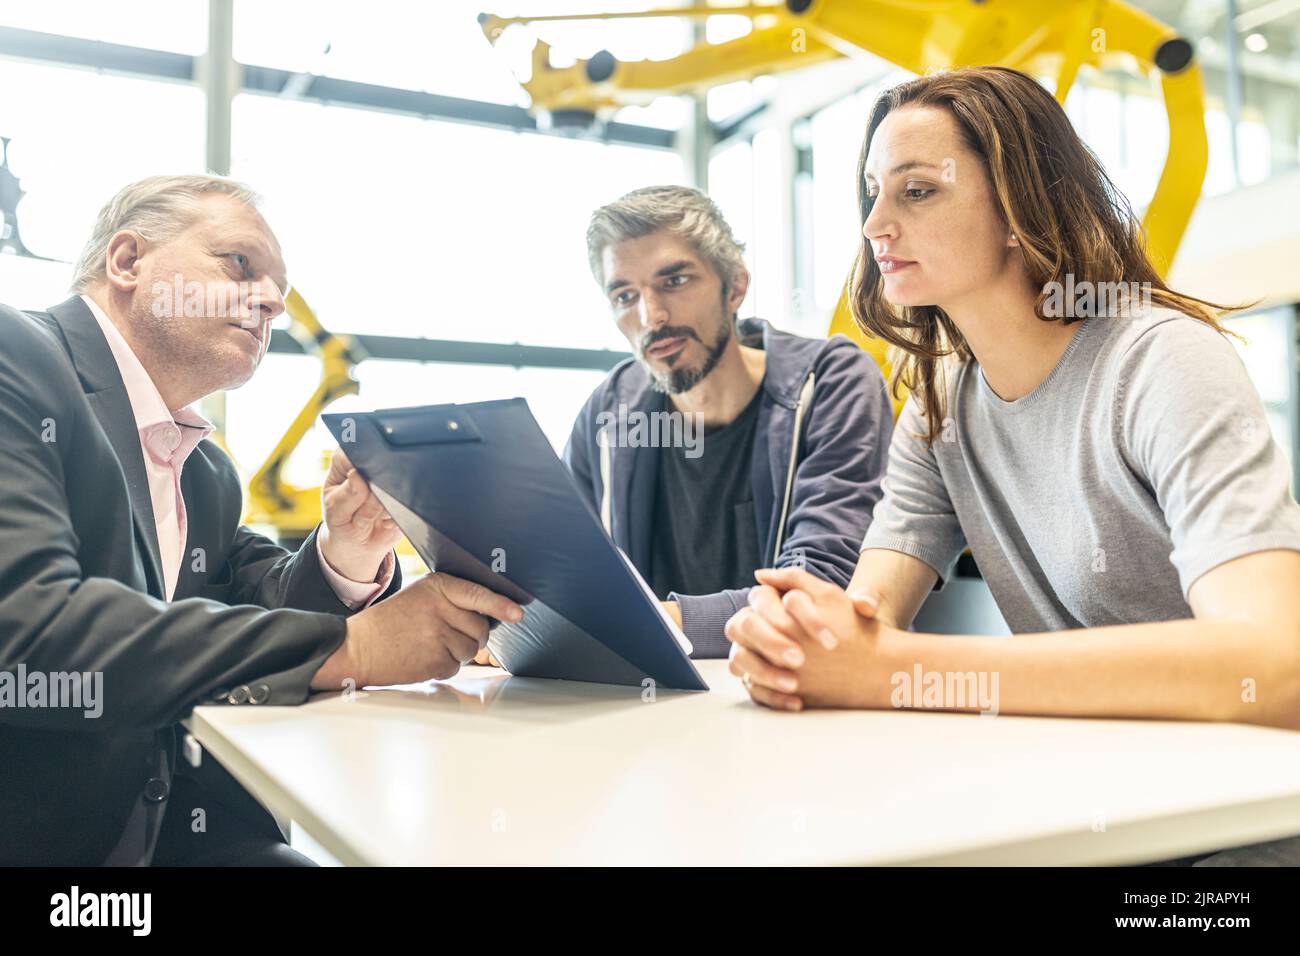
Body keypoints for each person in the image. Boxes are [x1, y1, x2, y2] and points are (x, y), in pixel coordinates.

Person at [724, 66, 1300, 863]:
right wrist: (795, 642)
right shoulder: (938, 397)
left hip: (1234, 846)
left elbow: (1275, 665)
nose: (875, 226)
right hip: (1089, 816)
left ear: (1021, 206)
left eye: (917, 191)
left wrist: (898, 670)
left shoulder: (1162, 362)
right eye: (873, 192)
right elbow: (867, 621)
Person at [0, 175, 524, 866]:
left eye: (277, 285)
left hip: (181, 833)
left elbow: (253, 604)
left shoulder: (203, 469)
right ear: (127, 262)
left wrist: (350, 550)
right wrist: (353, 649)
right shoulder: (16, 355)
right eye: (240, 265)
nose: (273, 301)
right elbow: (27, 631)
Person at [562, 185, 894, 657]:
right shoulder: (610, 410)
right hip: (648, 706)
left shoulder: (830, 383)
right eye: (624, 294)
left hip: (801, 701)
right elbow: (560, 570)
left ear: (735, 287)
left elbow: (819, 586)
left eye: (674, 281)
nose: (651, 317)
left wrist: (638, 624)